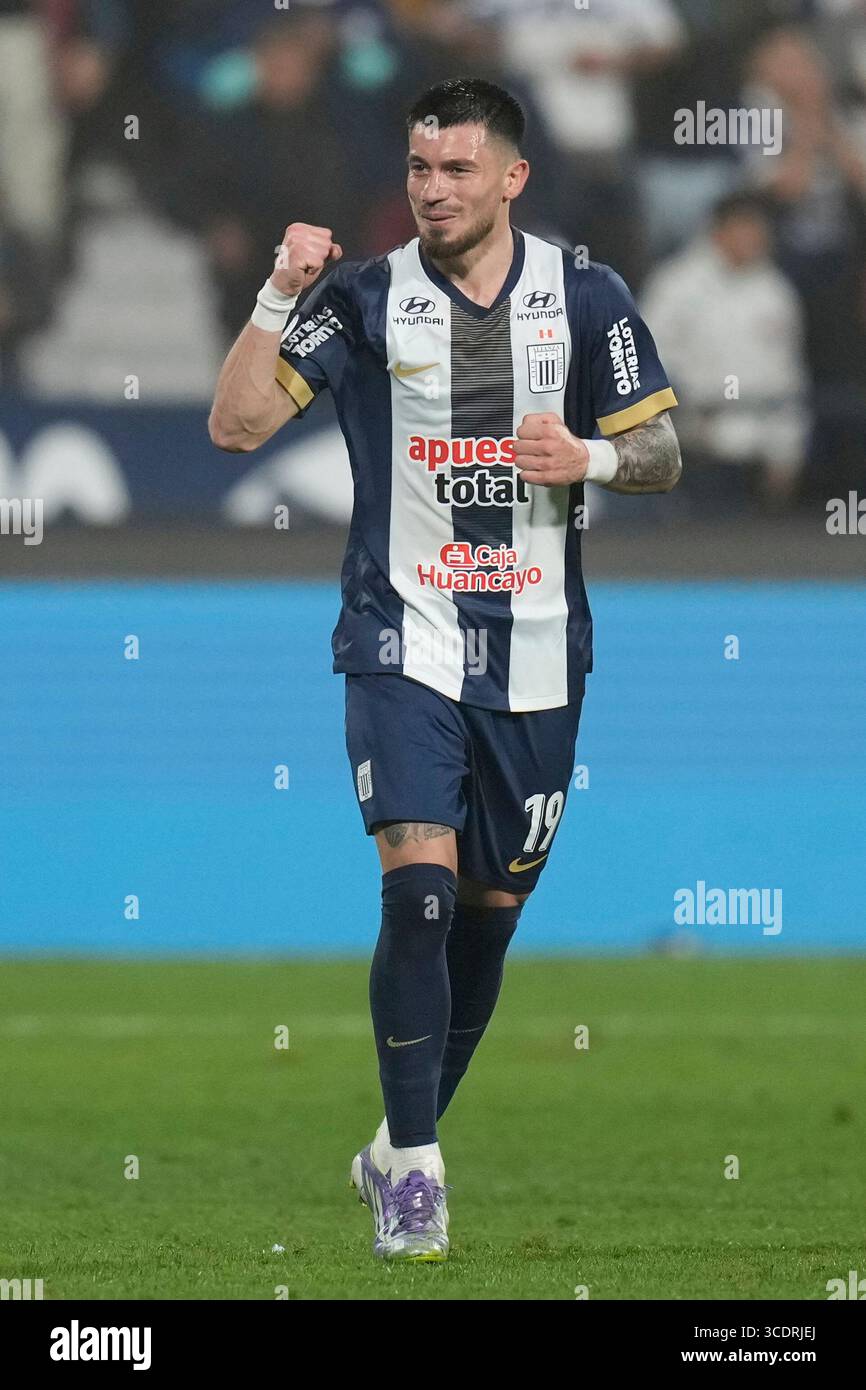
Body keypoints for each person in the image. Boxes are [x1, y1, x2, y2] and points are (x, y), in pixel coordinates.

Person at [209, 76, 681, 1263]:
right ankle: (416, 1180)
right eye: (421, 169)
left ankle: (389, 1139)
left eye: (458, 170)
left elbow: (662, 449)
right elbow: (237, 424)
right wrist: (276, 293)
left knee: (482, 928)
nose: (433, 189)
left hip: (536, 656)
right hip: (400, 635)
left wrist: (590, 458)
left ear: (510, 178)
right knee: (416, 897)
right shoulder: (365, 299)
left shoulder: (584, 297)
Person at [640, 190, 810, 511]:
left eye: (758, 229)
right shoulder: (677, 285)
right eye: (744, 227)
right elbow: (646, 361)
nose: (753, 238)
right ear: (719, 230)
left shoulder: (776, 293)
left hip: (759, 453)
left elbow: (787, 376)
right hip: (694, 449)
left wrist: (787, 452)